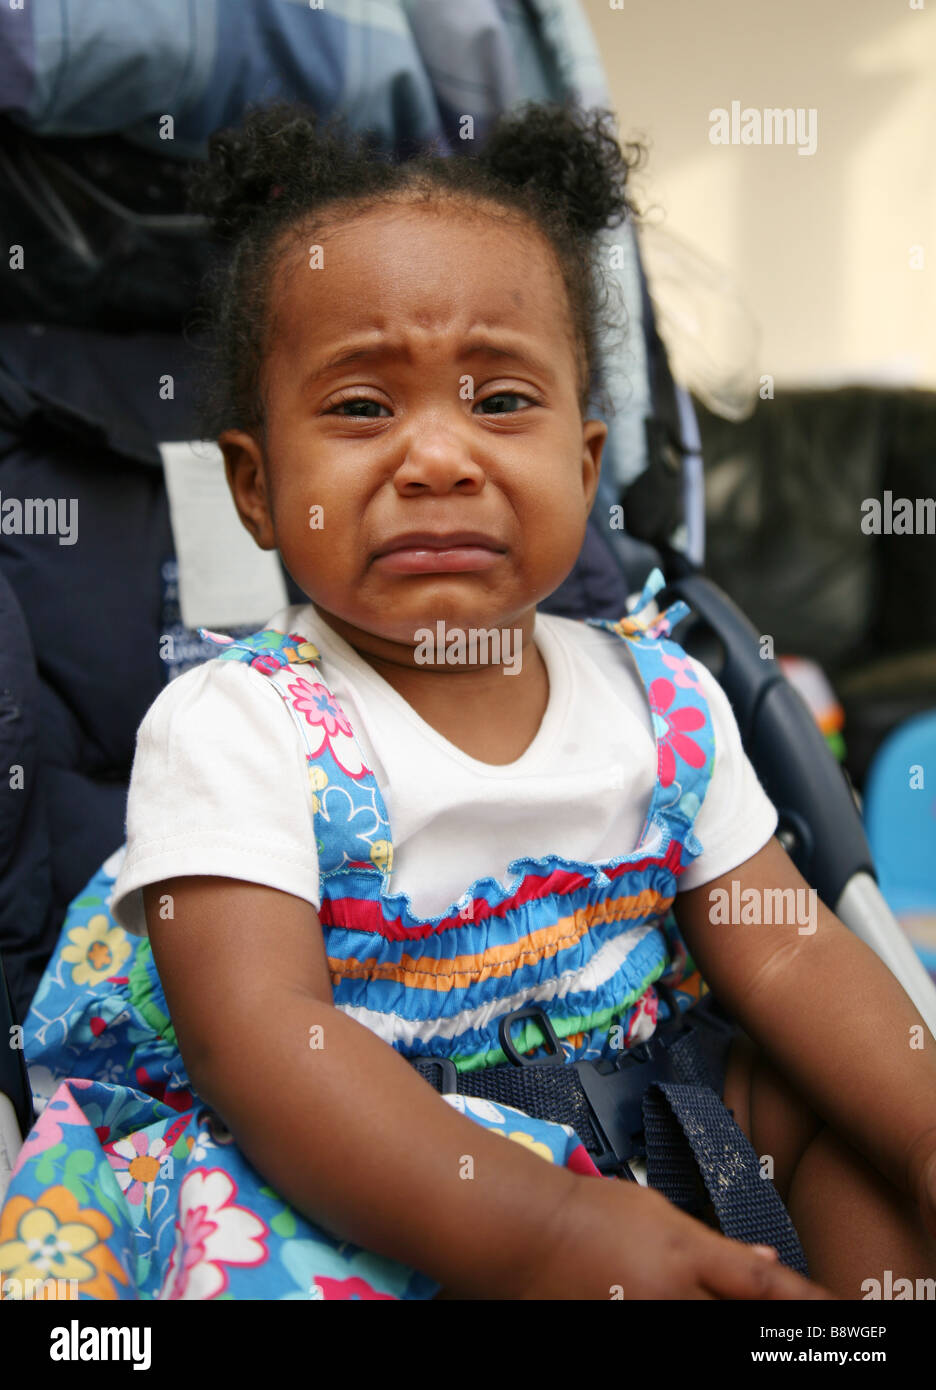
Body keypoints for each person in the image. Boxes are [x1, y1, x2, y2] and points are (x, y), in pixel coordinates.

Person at [5, 101, 934, 1302]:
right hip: (369, 1154)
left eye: (500, 402)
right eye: (360, 408)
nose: (437, 456)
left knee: (838, 1108)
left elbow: (797, 958)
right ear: (257, 487)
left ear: (584, 465)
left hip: (652, 1107)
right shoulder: (241, 725)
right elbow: (263, 1044)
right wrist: (547, 1230)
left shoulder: (668, 698)